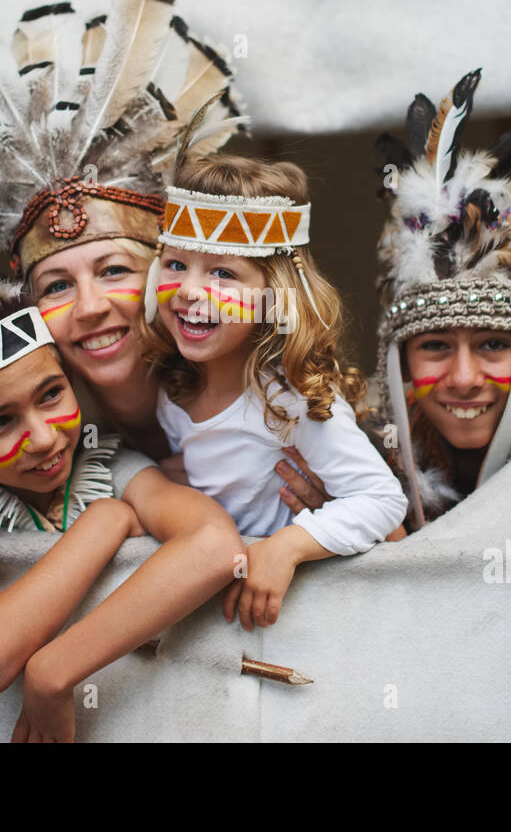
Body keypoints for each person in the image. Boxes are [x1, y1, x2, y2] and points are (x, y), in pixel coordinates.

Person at [0, 0, 327, 513]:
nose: (91, 308)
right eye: (56, 285)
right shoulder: (33, 431)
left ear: (168, 276)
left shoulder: (276, 395)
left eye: (115, 271)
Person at [0, 207, 243, 742]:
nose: (44, 438)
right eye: (0, 422)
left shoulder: (99, 456)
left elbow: (215, 547)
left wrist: (52, 671)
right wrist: (107, 521)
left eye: (51, 396)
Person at [141, 154, 408, 631]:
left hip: (294, 615)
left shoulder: (292, 399)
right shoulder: (173, 388)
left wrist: (288, 546)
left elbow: (383, 500)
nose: (189, 291)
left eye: (223, 273)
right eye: (176, 264)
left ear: (275, 294)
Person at [370, 68, 511, 529]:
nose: (466, 379)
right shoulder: (356, 468)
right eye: (435, 345)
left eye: (493, 343)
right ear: (399, 362)